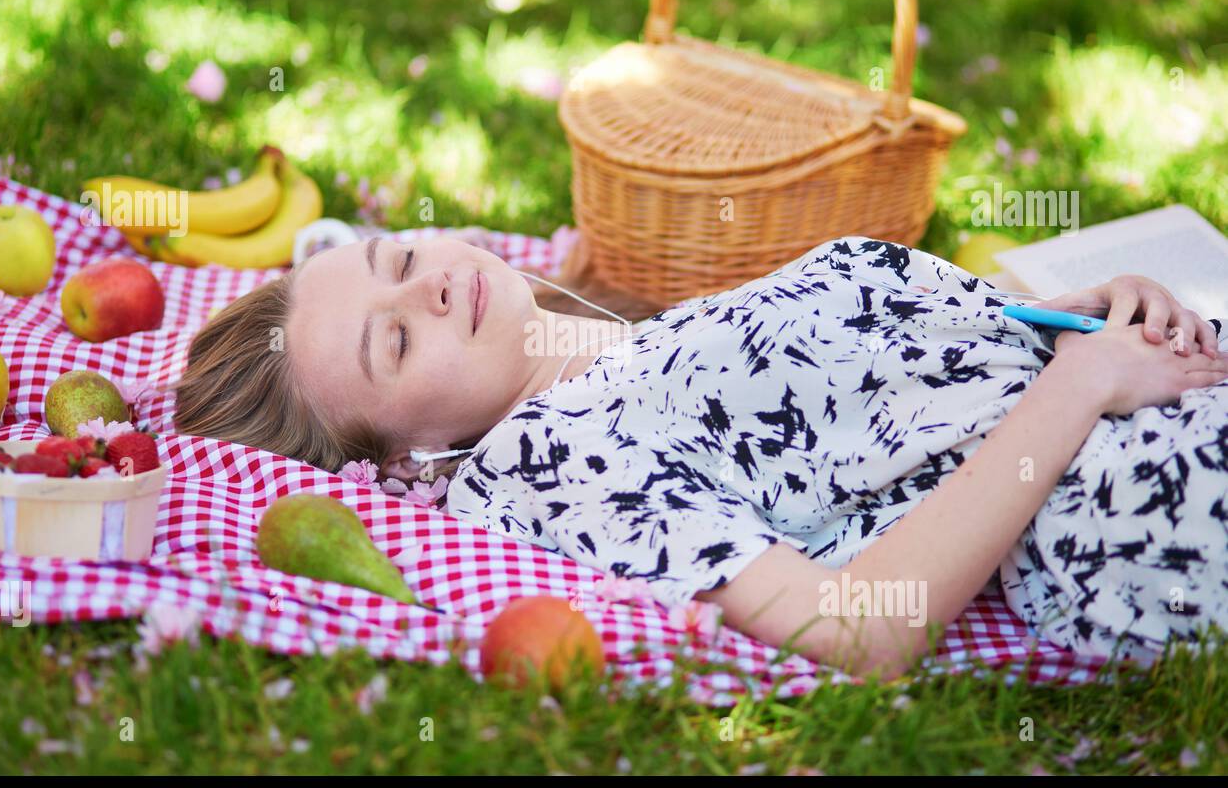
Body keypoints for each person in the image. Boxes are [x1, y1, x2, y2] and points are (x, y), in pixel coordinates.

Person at [172, 233, 1228, 679]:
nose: (430, 288)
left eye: (398, 258)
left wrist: (1068, 316)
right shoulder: (554, 464)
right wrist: (1078, 384)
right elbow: (859, 631)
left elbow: (888, 393)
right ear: (412, 461)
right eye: (395, 340)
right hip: (1137, 495)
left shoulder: (608, 335)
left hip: (1144, 390)